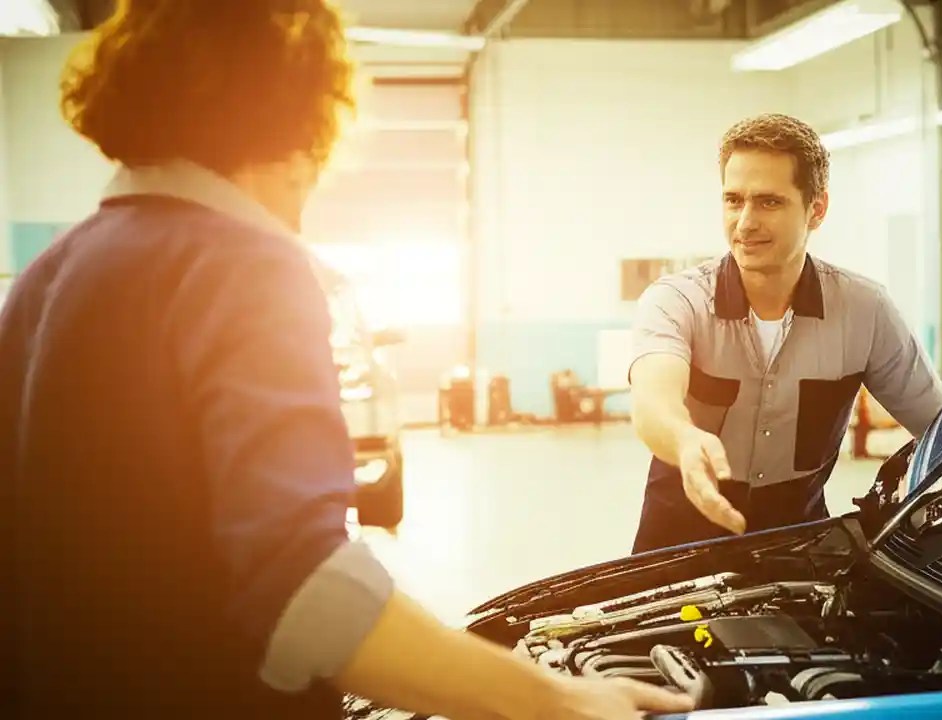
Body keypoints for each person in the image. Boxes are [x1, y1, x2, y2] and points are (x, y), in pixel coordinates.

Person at [0, 2, 693, 718]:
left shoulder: (50, 274)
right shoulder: (241, 263)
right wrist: (560, 702)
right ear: (295, 123)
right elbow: (304, 591)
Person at [627, 113, 942, 554]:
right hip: (675, 542)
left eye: (769, 202)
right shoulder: (677, 302)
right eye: (733, 200)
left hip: (796, 545)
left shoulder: (865, 311)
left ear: (816, 209)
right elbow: (653, 402)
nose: (745, 223)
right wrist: (684, 440)